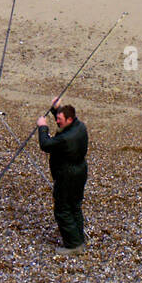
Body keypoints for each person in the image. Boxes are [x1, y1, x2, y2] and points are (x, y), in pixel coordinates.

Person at [37, 99, 88, 254]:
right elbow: (65, 123)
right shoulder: (79, 126)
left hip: (67, 175)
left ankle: (74, 246)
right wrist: (56, 109)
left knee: (62, 209)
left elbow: (45, 145)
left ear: (69, 119)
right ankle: (78, 238)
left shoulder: (66, 138)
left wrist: (43, 127)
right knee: (75, 206)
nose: (57, 122)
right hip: (80, 171)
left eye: (60, 119)